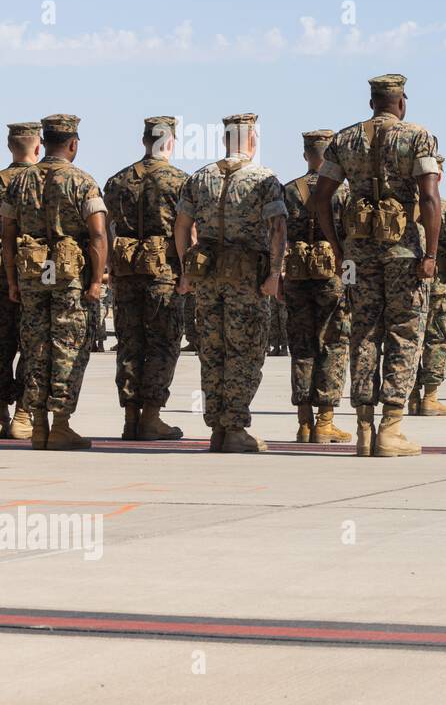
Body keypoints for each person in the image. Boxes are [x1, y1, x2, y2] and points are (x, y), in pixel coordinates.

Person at [312, 74, 443, 457]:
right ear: (401, 102)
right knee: (403, 334)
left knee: (363, 334)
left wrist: (338, 249)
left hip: (357, 257)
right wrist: (431, 255)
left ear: (372, 102)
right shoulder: (418, 137)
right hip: (405, 256)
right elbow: (430, 197)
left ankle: (364, 430)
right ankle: (391, 429)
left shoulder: (344, 140)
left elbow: (321, 199)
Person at [174, 113, 287, 453]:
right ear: (252, 139)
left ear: (225, 140)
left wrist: (185, 270)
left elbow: (181, 226)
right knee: (245, 353)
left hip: (207, 280)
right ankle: (234, 426)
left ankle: (218, 429)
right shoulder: (265, 179)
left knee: (213, 353)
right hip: (245, 281)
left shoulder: (199, 177)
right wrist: (274, 275)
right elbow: (278, 230)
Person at [0, 114, 109, 449]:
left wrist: (12, 280)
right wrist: (95, 283)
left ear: (43, 143)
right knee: (67, 349)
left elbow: (7, 234)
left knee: (36, 349)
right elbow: (98, 235)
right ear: (73, 144)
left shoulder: (18, 182)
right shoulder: (83, 182)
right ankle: (60, 424)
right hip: (70, 279)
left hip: (32, 277)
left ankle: (38, 427)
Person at [103, 116, 188, 440]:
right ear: (169, 142)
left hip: (126, 274)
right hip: (163, 275)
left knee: (128, 344)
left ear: (144, 141)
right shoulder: (179, 181)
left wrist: (111, 266)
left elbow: (106, 228)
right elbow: (187, 231)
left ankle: (130, 417)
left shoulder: (117, 181)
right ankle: (151, 417)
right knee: (163, 345)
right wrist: (186, 272)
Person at [283, 130, 351, 443]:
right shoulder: (343, 191)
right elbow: (350, 240)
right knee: (333, 345)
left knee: (301, 347)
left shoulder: (288, 191)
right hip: (333, 276)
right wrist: (351, 283)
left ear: (306, 154)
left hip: (296, 276)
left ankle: (304, 422)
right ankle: (325, 421)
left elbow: (276, 237)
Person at [0, 121, 39, 439]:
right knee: (33, 344)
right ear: (37, 147)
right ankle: (24, 414)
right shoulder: (41, 182)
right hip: (33, 275)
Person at [409, 197, 446, 416]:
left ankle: (411, 397)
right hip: (439, 286)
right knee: (439, 339)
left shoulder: (404, 206)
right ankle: (430, 398)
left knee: (409, 340)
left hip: (408, 285)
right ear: (438, 177)